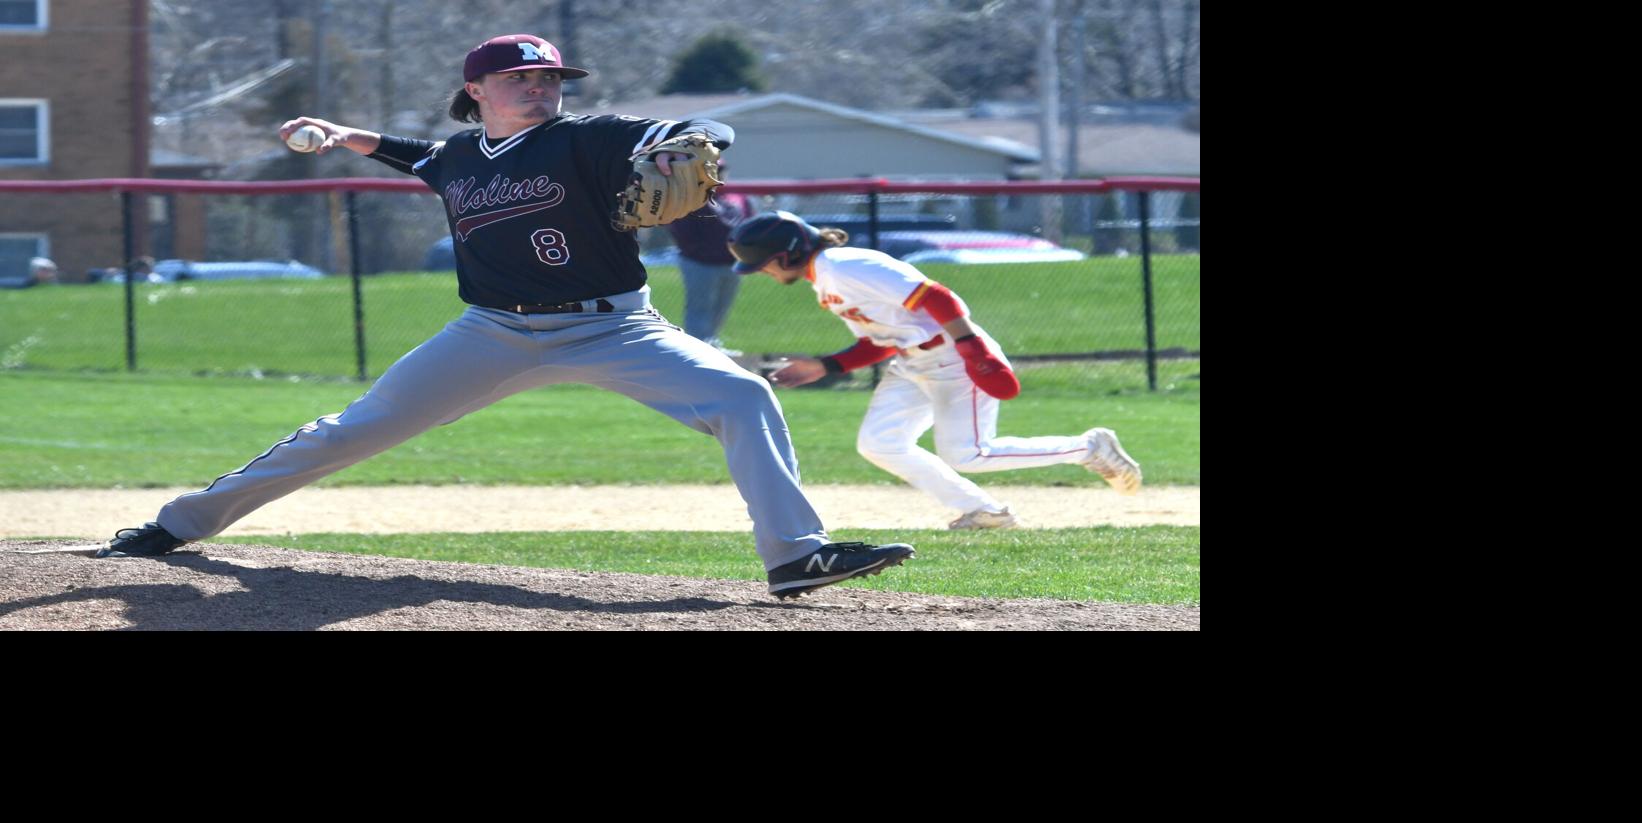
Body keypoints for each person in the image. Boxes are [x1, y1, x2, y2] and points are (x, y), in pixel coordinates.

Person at [96, 34, 913, 600]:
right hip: (490, 332)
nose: (540, 87)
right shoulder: (456, 156)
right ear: (475, 93)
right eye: (521, 79)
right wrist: (346, 135)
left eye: (549, 78)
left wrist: (699, 135)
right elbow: (417, 154)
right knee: (349, 430)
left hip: (615, 326)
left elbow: (690, 130)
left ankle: (797, 558)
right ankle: (178, 525)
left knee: (743, 398)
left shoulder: (587, 139)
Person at [728, 211, 1141, 530]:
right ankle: (984, 512)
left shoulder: (845, 264)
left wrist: (971, 346)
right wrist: (826, 366)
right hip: (912, 362)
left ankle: (1088, 448)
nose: (761, 271)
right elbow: (882, 339)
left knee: (969, 454)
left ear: (787, 254)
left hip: (950, 357)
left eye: (763, 263)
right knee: (880, 443)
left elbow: (935, 296)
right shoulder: (826, 278)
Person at [665, 161, 755, 353]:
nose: (718, 175)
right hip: (699, 262)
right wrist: (696, 250)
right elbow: (680, 228)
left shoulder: (738, 196)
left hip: (732, 262)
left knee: (721, 307)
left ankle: (713, 346)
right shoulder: (692, 196)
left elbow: (749, 223)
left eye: (721, 170)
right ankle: (697, 350)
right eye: (713, 171)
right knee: (699, 308)